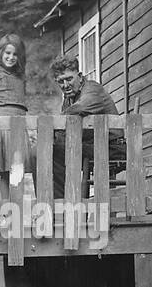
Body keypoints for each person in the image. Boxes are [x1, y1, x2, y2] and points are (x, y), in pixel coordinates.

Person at [49, 55, 125, 198]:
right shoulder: (68, 99)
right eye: (60, 81)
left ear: (79, 75)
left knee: (55, 151)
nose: (65, 85)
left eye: (69, 79)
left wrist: (56, 123)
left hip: (113, 147)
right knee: (53, 148)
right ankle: (64, 201)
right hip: (93, 146)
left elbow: (81, 107)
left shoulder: (92, 88)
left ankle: (64, 202)